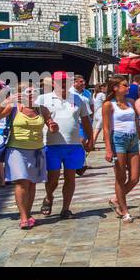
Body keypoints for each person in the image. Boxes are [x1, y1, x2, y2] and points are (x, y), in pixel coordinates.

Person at [0, 82, 59, 229]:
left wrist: (53, 126)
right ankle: (23, 217)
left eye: (34, 91)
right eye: (28, 91)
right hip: (17, 150)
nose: (32, 93)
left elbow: (52, 125)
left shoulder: (41, 109)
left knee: (32, 183)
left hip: (37, 150)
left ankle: (28, 213)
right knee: (22, 182)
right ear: (20, 93)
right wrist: (7, 101)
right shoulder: (14, 107)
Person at [38, 71, 94, 218]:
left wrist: (91, 138)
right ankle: (49, 197)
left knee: (70, 178)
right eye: (60, 82)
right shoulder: (43, 99)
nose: (63, 85)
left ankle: (65, 208)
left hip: (74, 145)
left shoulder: (78, 99)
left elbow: (86, 120)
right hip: (51, 145)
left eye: (65, 82)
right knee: (53, 178)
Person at [102, 77, 140, 222]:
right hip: (118, 139)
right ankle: (125, 210)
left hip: (132, 139)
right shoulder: (109, 105)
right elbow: (106, 128)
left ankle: (116, 199)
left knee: (135, 177)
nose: (128, 88)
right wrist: (108, 148)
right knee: (120, 177)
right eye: (125, 85)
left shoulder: (131, 102)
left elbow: (136, 123)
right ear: (115, 87)